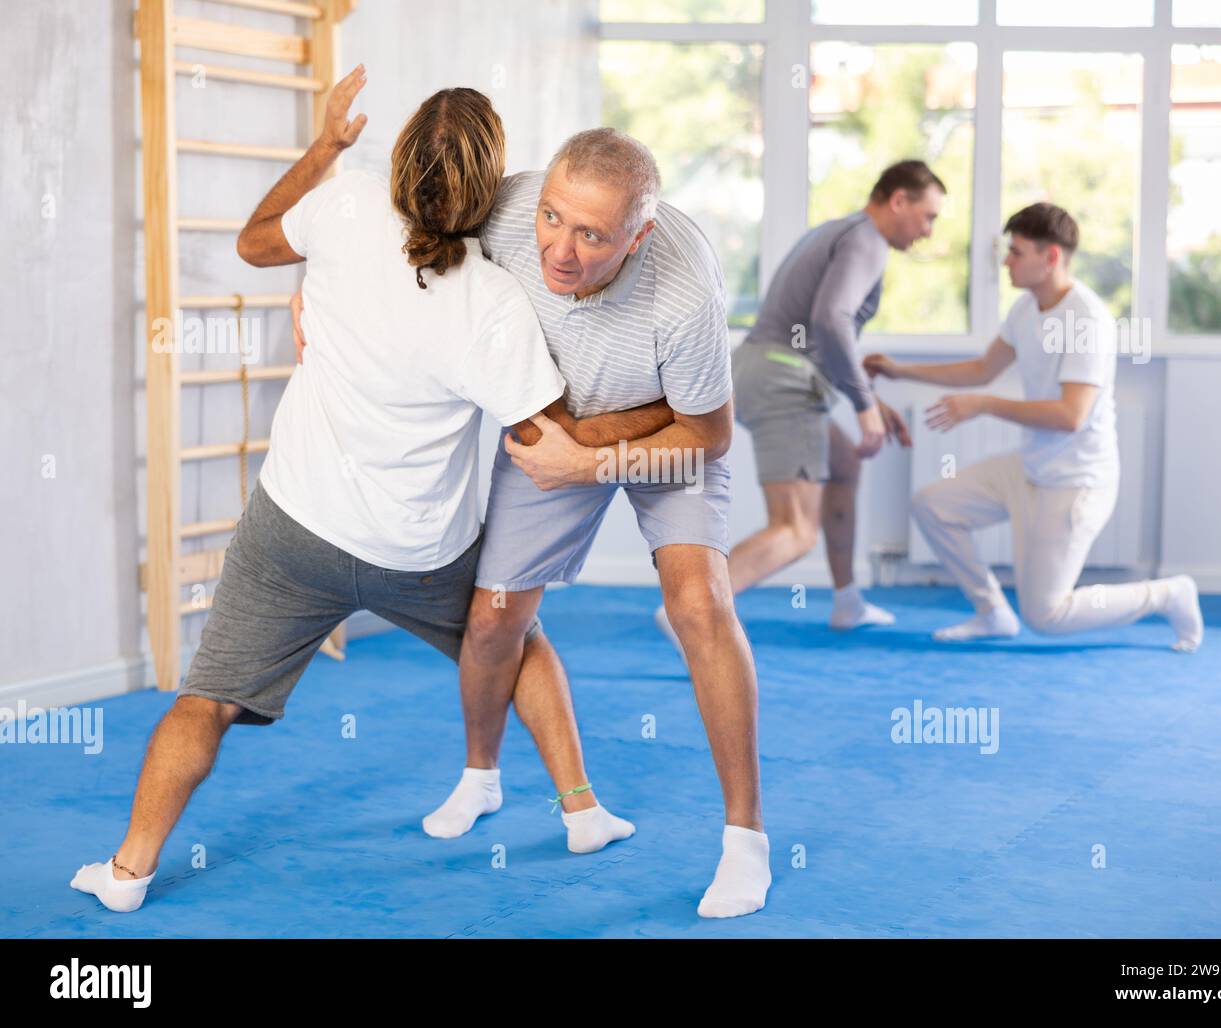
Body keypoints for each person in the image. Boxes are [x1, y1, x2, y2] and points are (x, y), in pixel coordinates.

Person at [70, 70, 634, 914]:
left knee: (207, 699)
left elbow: (255, 242)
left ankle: (127, 872)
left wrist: (329, 142)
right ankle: (582, 812)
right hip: (419, 554)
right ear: (492, 192)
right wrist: (664, 428)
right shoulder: (494, 299)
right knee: (517, 641)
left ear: (399, 158)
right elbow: (548, 438)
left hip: (295, 531)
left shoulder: (346, 205)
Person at [417, 127, 771, 918]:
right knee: (491, 620)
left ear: (637, 236)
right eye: (553, 219)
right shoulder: (507, 208)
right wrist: (319, 292)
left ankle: (746, 841)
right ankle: (480, 777)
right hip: (565, 427)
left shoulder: (683, 295)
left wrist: (589, 462)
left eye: (591, 235)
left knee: (701, 607)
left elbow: (705, 436)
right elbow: (401, 231)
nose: (561, 251)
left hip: (665, 437)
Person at [865, 202, 1203, 651]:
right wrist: (900, 370)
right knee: (933, 505)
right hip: (1031, 468)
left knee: (1047, 616)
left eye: (1016, 252)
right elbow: (983, 369)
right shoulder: (1027, 309)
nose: (1006, 261)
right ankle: (993, 614)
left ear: (1051, 258)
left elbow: (1071, 415)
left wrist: (983, 406)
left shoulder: (1087, 321)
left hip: (1076, 482)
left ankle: (1167, 593)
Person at [693, 161, 941, 633]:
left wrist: (868, 397)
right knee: (795, 530)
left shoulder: (842, 230)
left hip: (766, 371)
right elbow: (832, 319)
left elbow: (820, 331)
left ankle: (847, 601)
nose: (929, 231)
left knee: (844, 464)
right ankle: (694, 613)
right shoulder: (867, 239)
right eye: (928, 216)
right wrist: (866, 407)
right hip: (784, 381)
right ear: (899, 201)